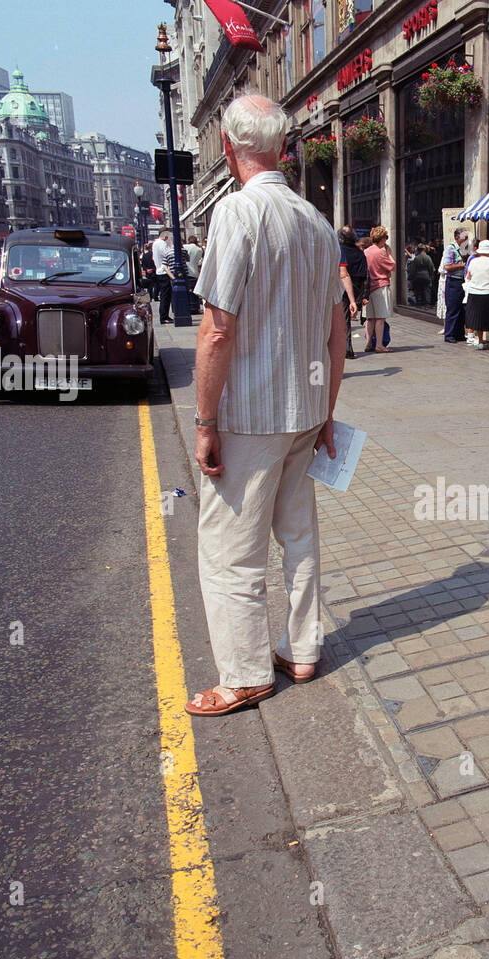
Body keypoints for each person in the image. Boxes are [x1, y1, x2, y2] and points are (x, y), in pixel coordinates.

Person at [184, 93, 348, 718]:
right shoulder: (314, 221)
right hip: (304, 414)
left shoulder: (237, 214)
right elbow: (337, 333)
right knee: (298, 535)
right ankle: (302, 650)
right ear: (282, 147)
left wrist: (204, 422)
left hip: (250, 417)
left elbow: (217, 329)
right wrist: (327, 410)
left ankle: (248, 673)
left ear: (229, 149)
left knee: (231, 550)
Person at [363, 225, 396, 352]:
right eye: (385, 238)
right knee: (380, 318)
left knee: (370, 318)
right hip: (380, 286)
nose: (386, 241)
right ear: (381, 238)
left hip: (368, 288)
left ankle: (368, 343)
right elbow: (392, 266)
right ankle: (379, 345)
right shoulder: (381, 253)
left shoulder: (366, 252)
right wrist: (389, 253)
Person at [338, 226, 368, 357]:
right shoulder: (359, 253)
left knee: (343, 319)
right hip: (355, 288)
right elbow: (364, 275)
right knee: (345, 319)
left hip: (341, 287)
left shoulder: (339, 250)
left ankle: (347, 349)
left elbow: (343, 274)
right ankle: (346, 348)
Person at [440, 228, 469, 342]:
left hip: (462, 280)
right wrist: (461, 265)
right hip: (453, 281)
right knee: (453, 308)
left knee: (461, 309)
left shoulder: (464, 249)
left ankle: (459, 333)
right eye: (464, 238)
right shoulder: (450, 249)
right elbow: (447, 266)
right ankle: (449, 334)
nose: (466, 240)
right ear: (457, 238)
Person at [152, 229, 176, 324]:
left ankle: (164, 315)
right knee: (165, 296)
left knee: (165, 295)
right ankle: (164, 316)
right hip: (164, 271)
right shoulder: (161, 243)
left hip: (159, 270)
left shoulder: (155, 243)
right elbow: (169, 254)